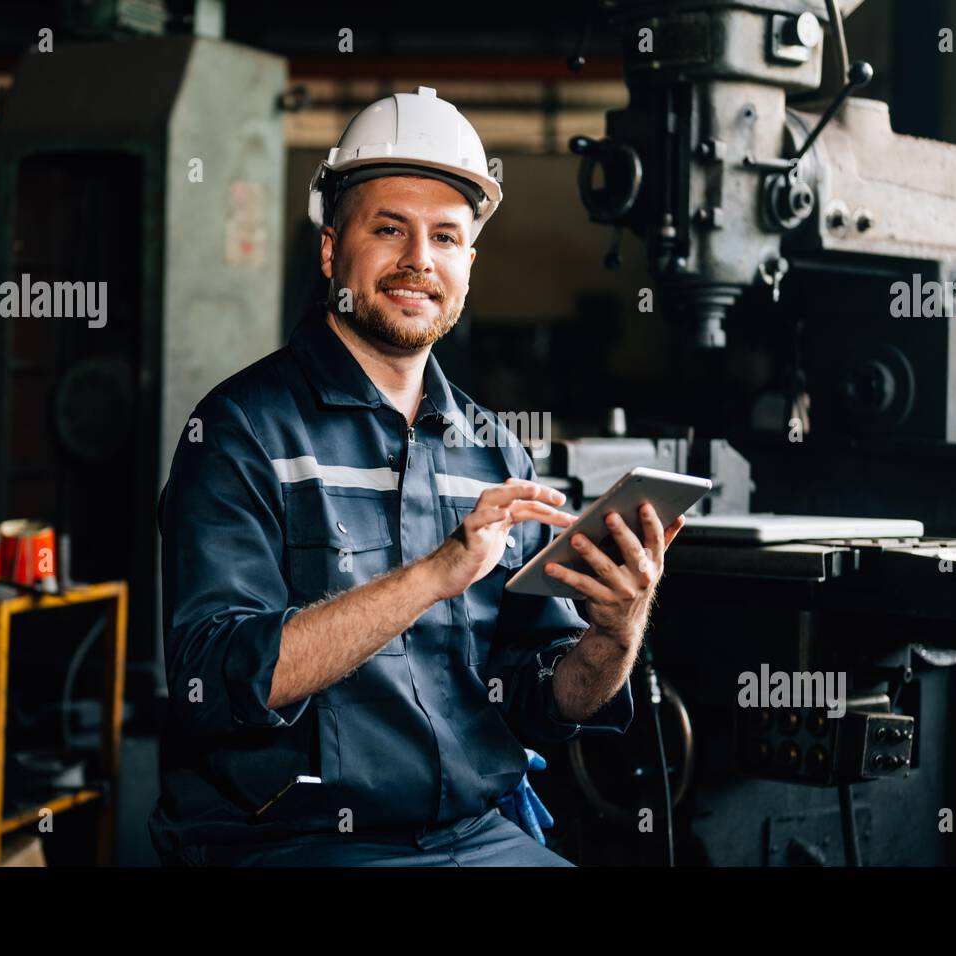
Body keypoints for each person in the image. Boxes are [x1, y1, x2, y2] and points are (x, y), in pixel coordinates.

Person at [149, 87, 685, 866]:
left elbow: (548, 699)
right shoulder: (241, 432)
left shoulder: (494, 452)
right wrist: (435, 574)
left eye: (445, 236)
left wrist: (615, 631)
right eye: (389, 229)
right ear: (333, 250)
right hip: (287, 842)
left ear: (469, 262)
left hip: (472, 834)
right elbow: (216, 682)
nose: (417, 261)